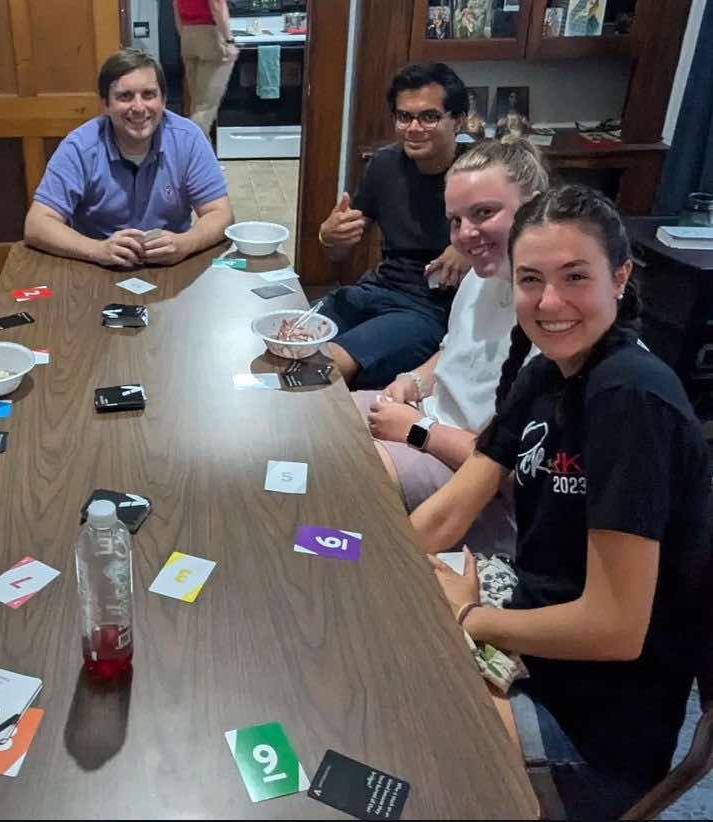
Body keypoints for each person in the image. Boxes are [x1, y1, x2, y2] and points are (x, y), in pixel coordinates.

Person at [413, 185, 711, 818]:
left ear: (621, 277)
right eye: (530, 280)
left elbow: (615, 627)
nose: (549, 303)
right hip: (533, 651)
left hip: (589, 732)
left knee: (394, 732)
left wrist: (468, 620)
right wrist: (377, 570)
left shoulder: (632, 398)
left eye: (575, 277)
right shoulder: (546, 372)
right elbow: (448, 511)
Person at [353, 137, 547, 555]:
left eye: (484, 213)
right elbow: (455, 349)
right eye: (456, 221)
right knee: (322, 416)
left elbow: (514, 467)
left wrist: (418, 430)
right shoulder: (480, 274)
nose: (466, 234)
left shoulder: (549, 313)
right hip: (431, 419)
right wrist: (412, 382)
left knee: (350, 472)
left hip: (474, 475)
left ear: (535, 204)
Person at [316, 62, 471, 389]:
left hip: (428, 310)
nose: (414, 128)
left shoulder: (481, 171)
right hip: (376, 289)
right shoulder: (384, 164)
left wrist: (466, 246)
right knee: (296, 342)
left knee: (329, 364)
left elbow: (521, 234)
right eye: (404, 117)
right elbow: (339, 249)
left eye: (429, 117)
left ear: (458, 120)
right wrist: (329, 236)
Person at [24, 48, 233, 268]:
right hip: (96, 266)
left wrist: (186, 243)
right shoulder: (79, 146)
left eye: (149, 95)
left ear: (163, 101)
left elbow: (220, 213)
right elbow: (37, 224)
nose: (139, 108)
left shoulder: (188, 139)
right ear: (105, 104)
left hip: (172, 265)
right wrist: (97, 249)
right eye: (125, 96)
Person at [174, 0, 239, 136]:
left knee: (196, 104)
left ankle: (201, 155)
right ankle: (186, 151)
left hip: (188, 34)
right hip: (210, 34)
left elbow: (175, 6)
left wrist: (184, 34)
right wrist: (229, 41)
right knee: (205, 107)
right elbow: (217, 5)